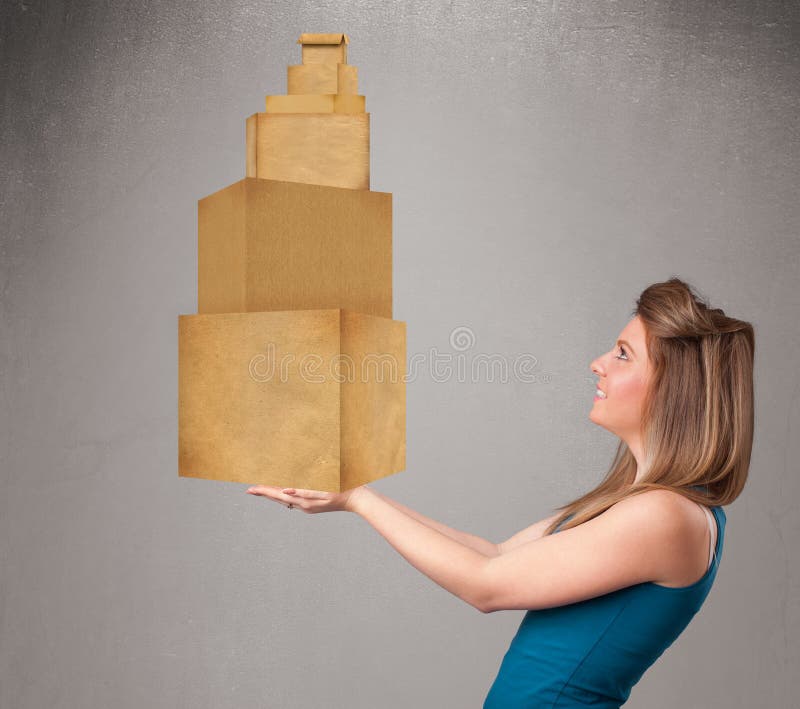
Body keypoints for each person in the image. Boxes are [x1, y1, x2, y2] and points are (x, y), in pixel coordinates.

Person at [246, 276, 755, 708]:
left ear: (673, 389)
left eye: (623, 355)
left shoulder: (666, 516)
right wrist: (350, 495)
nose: (597, 363)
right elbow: (496, 554)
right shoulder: (641, 503)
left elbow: (486, 586)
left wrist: (360, 500)